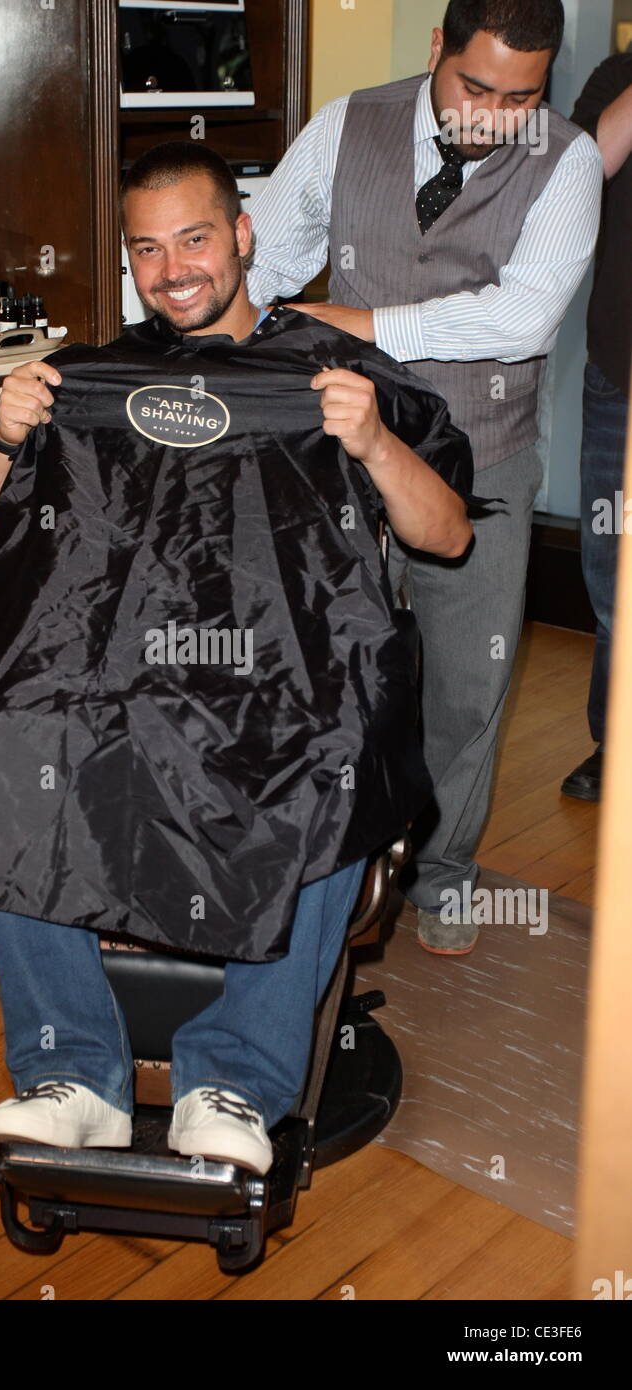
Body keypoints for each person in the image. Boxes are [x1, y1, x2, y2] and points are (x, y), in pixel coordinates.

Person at [0, 142, 480, 1177]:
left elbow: (445, 533)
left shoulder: (329, 369)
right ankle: (70, 1074)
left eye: (193, 239)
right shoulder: (95, 376)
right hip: (125, 691)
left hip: (289, 695)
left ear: (242, 236)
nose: (172, 269)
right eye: (146, 249)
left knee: (333, 764)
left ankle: (233, 1081)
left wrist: (370, 445)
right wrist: (2, 436)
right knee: (11, 734)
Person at [244, 0, 603, 954]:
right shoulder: (345, 125)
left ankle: (442, 874)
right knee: (331, 668)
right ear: (435, 46)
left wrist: (362, 322)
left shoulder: (567, 162)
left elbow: (519, 320)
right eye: (474, 87)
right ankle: (319, 866)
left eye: (518, 98)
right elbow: (265, 260)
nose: (491, 116)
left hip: (485, 458)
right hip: (342, 455)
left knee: (461, 685)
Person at [561, 47, 632, 802]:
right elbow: (583, 171)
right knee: (612, 579)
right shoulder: (619, 77)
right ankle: (615, 745)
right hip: (619, 373)